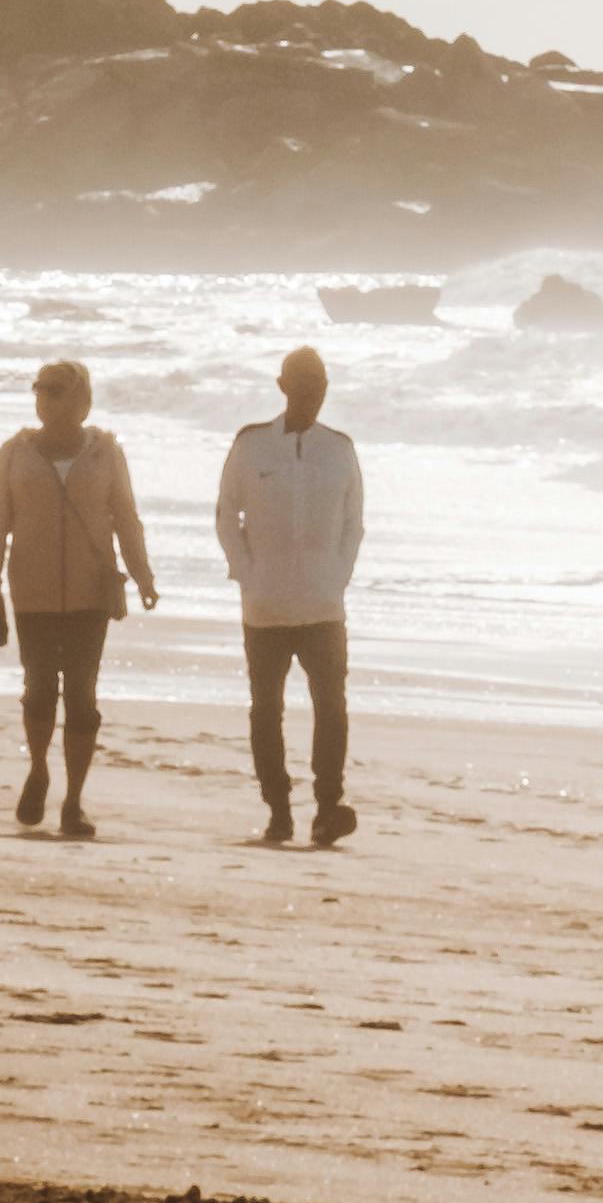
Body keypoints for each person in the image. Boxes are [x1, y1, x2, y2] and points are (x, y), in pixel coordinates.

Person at [0, 356, 155, 841]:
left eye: (57, 391)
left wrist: (142, 575)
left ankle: (74, 802)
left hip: (89, 593)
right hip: (31, 592)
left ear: (83, 400)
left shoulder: (105, 453)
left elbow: (125, 517)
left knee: (82, 696)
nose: (47, 401)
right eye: (41, 391)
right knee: (38, 690)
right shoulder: (14, 454)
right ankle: (38, 769)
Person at [217, 339, 365, 850]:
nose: (311, 395)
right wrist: (246, 573)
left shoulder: (339, 448)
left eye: (319, 386)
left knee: (331, 707)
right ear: (282, 387)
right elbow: (226, 514)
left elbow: (353, 524)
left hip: (324, 606)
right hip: (266, 606)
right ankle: (278, 810)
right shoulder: (252, 445)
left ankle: (327, 807)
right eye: (302, 385)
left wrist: (337, 575)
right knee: (266, 709)